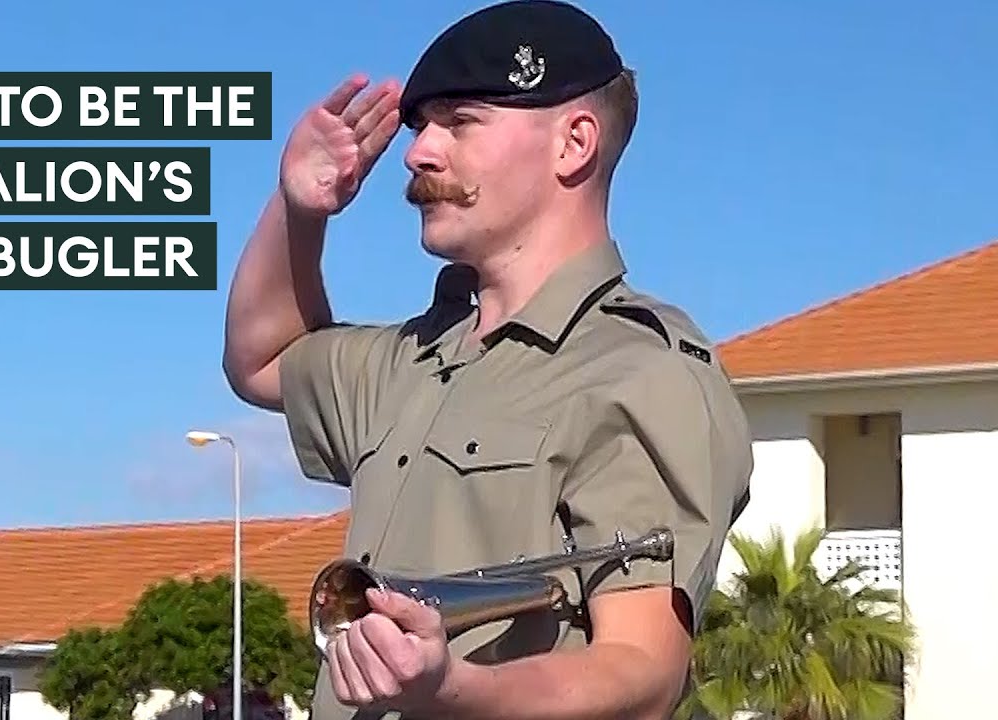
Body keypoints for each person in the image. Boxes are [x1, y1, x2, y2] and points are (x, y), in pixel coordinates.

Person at [222, 1, 753, 718]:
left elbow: (643, 667)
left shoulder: (643, 371)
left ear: (574, 143)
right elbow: (263, 356)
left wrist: (451, 690)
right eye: (419, 126)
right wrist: (300, 210)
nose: (418, 153)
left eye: (460, 121)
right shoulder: (413, 359)